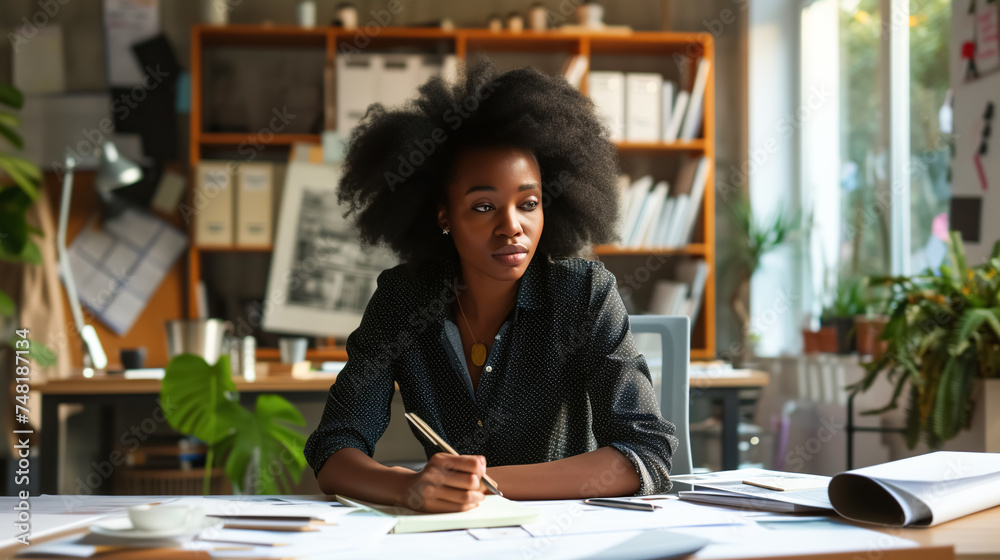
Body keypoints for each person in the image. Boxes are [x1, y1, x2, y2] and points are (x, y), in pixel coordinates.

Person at [304, 58, 677, 513]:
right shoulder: (403, 299)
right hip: (451, 538)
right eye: (484, 207)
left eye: (529, 203)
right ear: (444, 216)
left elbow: (645, 454)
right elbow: (333, 449)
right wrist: (409, 488)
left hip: (564, 538)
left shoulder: (583, 295)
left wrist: (481, 484)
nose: (512, 227)